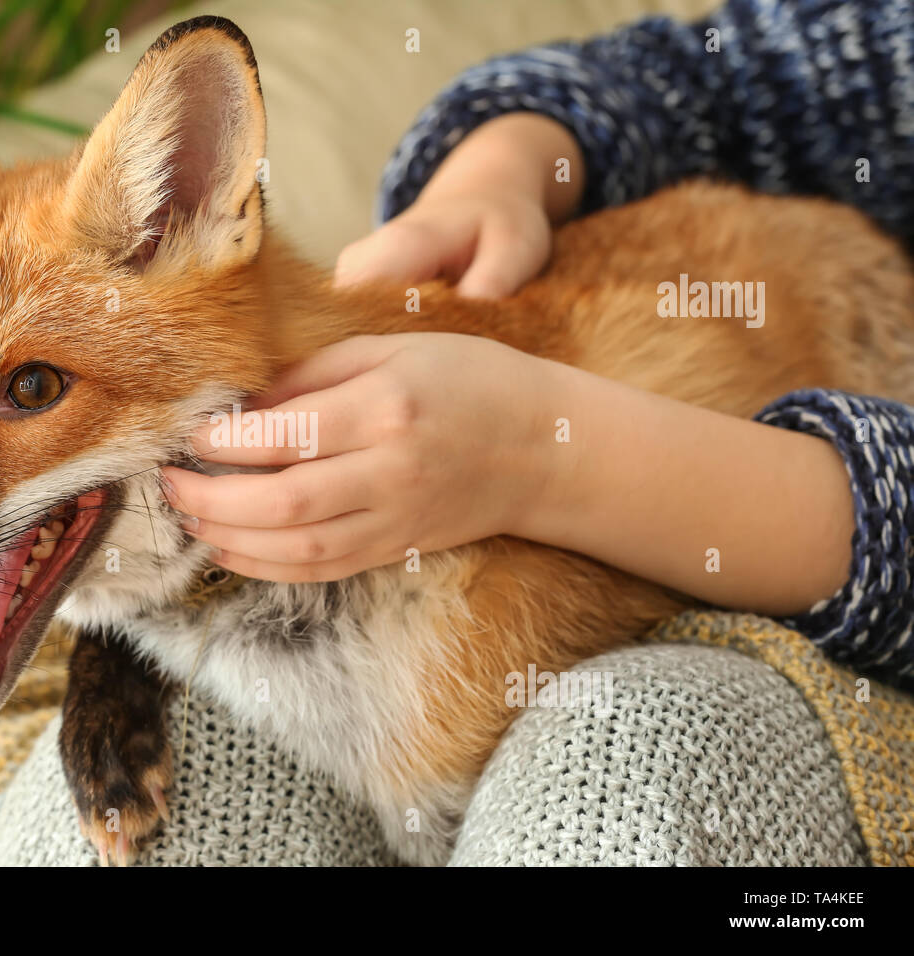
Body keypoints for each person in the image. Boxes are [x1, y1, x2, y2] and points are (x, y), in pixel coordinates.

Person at [159, 0, 914, 690]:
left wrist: (546, 454)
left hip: (829, 608)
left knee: (636, 747)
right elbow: (723, 80)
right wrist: (501, 171)